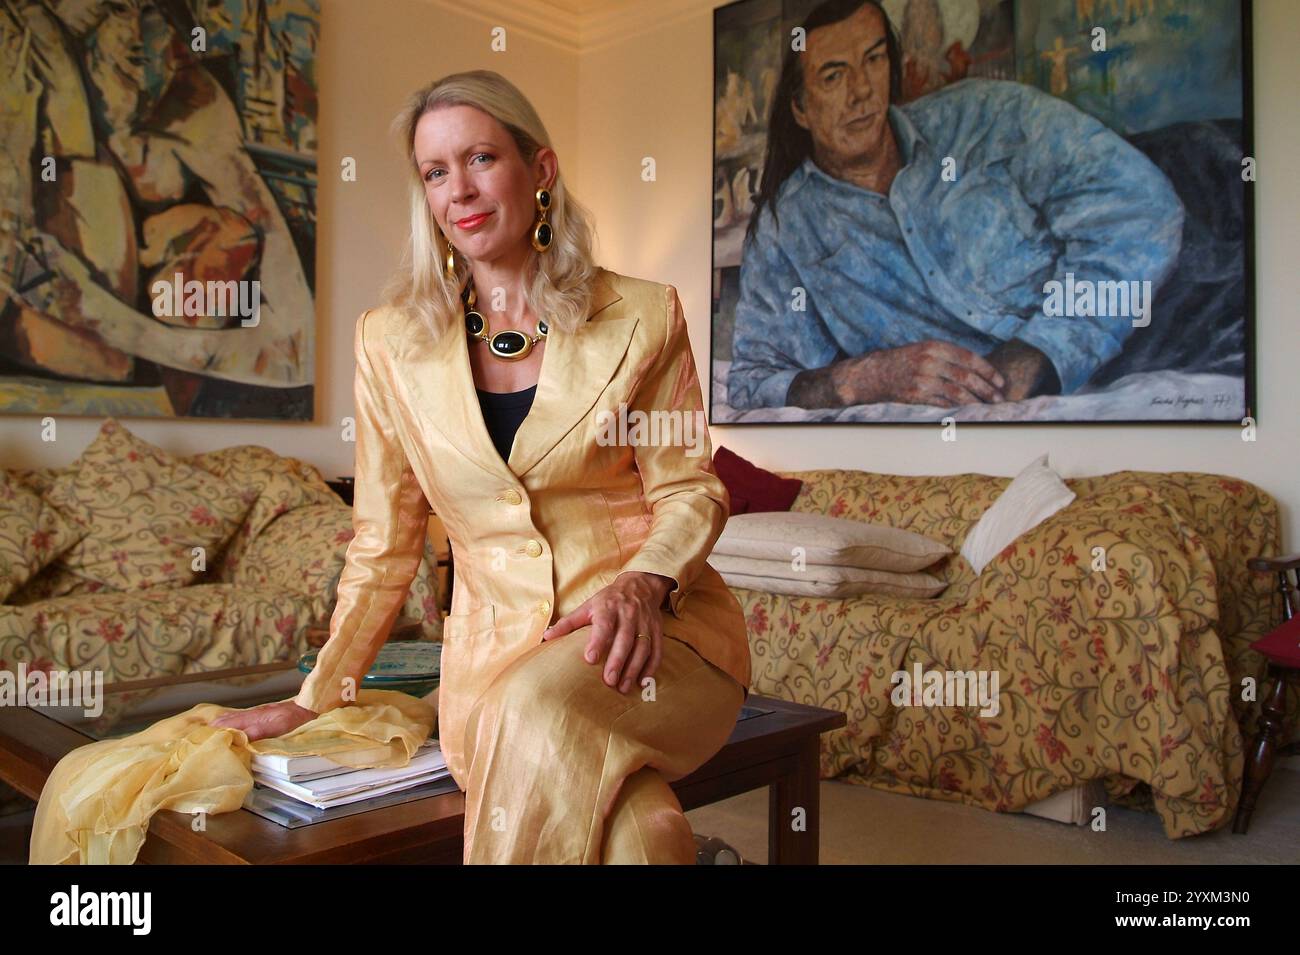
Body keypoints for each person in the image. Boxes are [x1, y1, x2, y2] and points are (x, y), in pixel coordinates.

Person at [209, 69, 751, 864]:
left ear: (542, 171)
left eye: (481, 158)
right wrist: (313, 696)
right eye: (435, 171)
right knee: (647, 834)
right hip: (490, 676)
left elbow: (689, 487)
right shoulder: (389, 345)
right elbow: (384, 546)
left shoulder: (642, 315)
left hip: (655, 648)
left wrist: (646, 580)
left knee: (537, 708)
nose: (458, 188)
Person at [725, 0, 1188, 411]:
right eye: (833, 75)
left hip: (1171, 323)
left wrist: (1041, 351)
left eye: (873, 59)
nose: (862, 90)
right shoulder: (787, 226)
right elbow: (753, 381)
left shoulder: (988, 119)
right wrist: (860, 379)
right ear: (801, 109)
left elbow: (1143, 209)